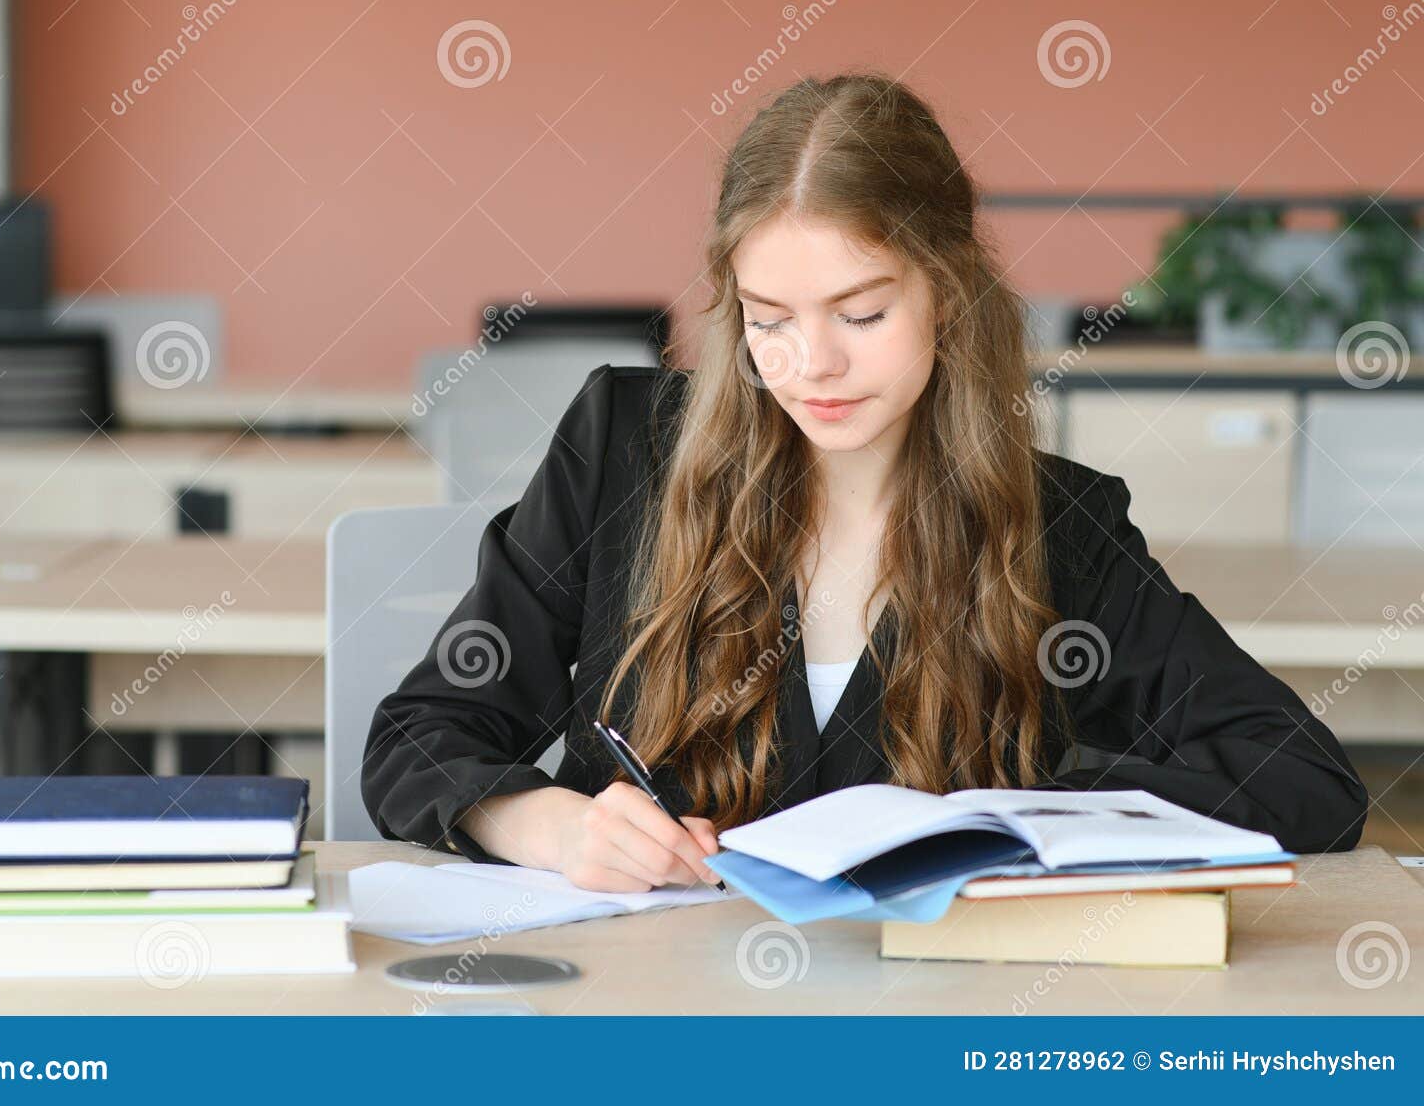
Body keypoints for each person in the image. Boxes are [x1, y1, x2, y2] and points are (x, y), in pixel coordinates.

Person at [363, 72, 1367, 893]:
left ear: (948, 293)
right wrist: (545, 824)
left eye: (859, 315)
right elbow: (422, 732)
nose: (811, 367)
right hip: (652, 1014)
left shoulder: (1057, 524)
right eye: (768, 319)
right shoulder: (620, 450)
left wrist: (1027, 815)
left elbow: (1305, 779)